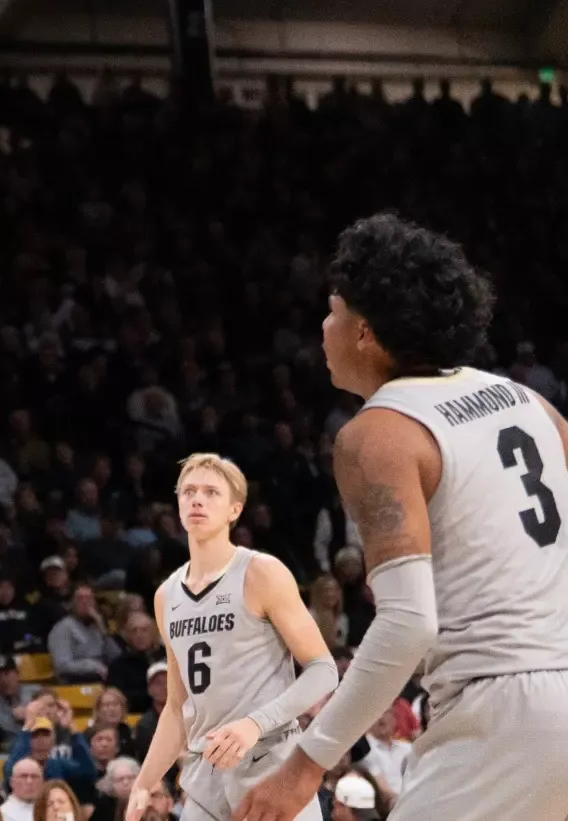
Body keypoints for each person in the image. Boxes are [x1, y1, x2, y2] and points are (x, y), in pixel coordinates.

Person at [236, 216, 568, 821]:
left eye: (332, 310)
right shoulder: (534, 405)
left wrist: (307, 764)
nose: (323, 325)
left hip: (502, 706)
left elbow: (409, 622)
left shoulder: (377, 434)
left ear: (365, 333)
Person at [129, 454, 338, 821]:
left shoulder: (261, 572)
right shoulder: (166, 596)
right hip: (205, 774)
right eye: (189, 491)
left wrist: (254, 723)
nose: (197, 499)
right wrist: (144, 783)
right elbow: (177, 707)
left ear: (234, 510)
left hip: (271, 766)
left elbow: (324, 670)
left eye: (212, 492)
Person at [45, 586, 119, 683]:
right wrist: (94, 666)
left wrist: (103, 631)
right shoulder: (63, 628)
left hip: (103, 677)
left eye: (89, 598)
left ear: (95, 603)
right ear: (72, 604)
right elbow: (62, 665)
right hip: (77, 680)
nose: (85, 602)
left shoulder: (97, 627)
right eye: (80, 598)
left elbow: (116, 658)